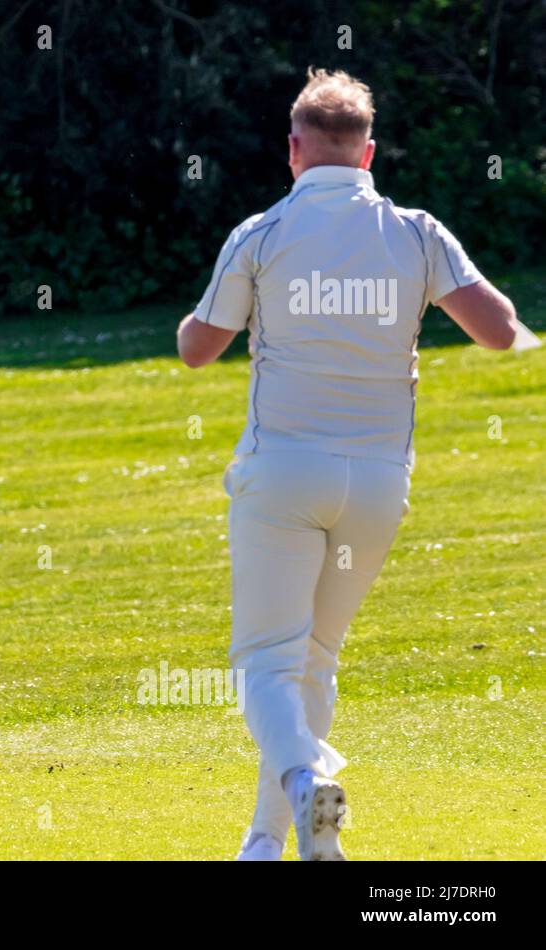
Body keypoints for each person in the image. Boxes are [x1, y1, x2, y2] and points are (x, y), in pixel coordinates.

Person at [176, 69, 518, 859]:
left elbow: (199, 349)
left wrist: (208, 313)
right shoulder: (417, 231)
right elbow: (498, 329)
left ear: (294, 150)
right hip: (376, 484)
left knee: (266, 661)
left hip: (284, 474)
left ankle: (302, 781)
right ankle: (274, 841)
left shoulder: (260, 233)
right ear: (367, 154)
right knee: (315, 659)